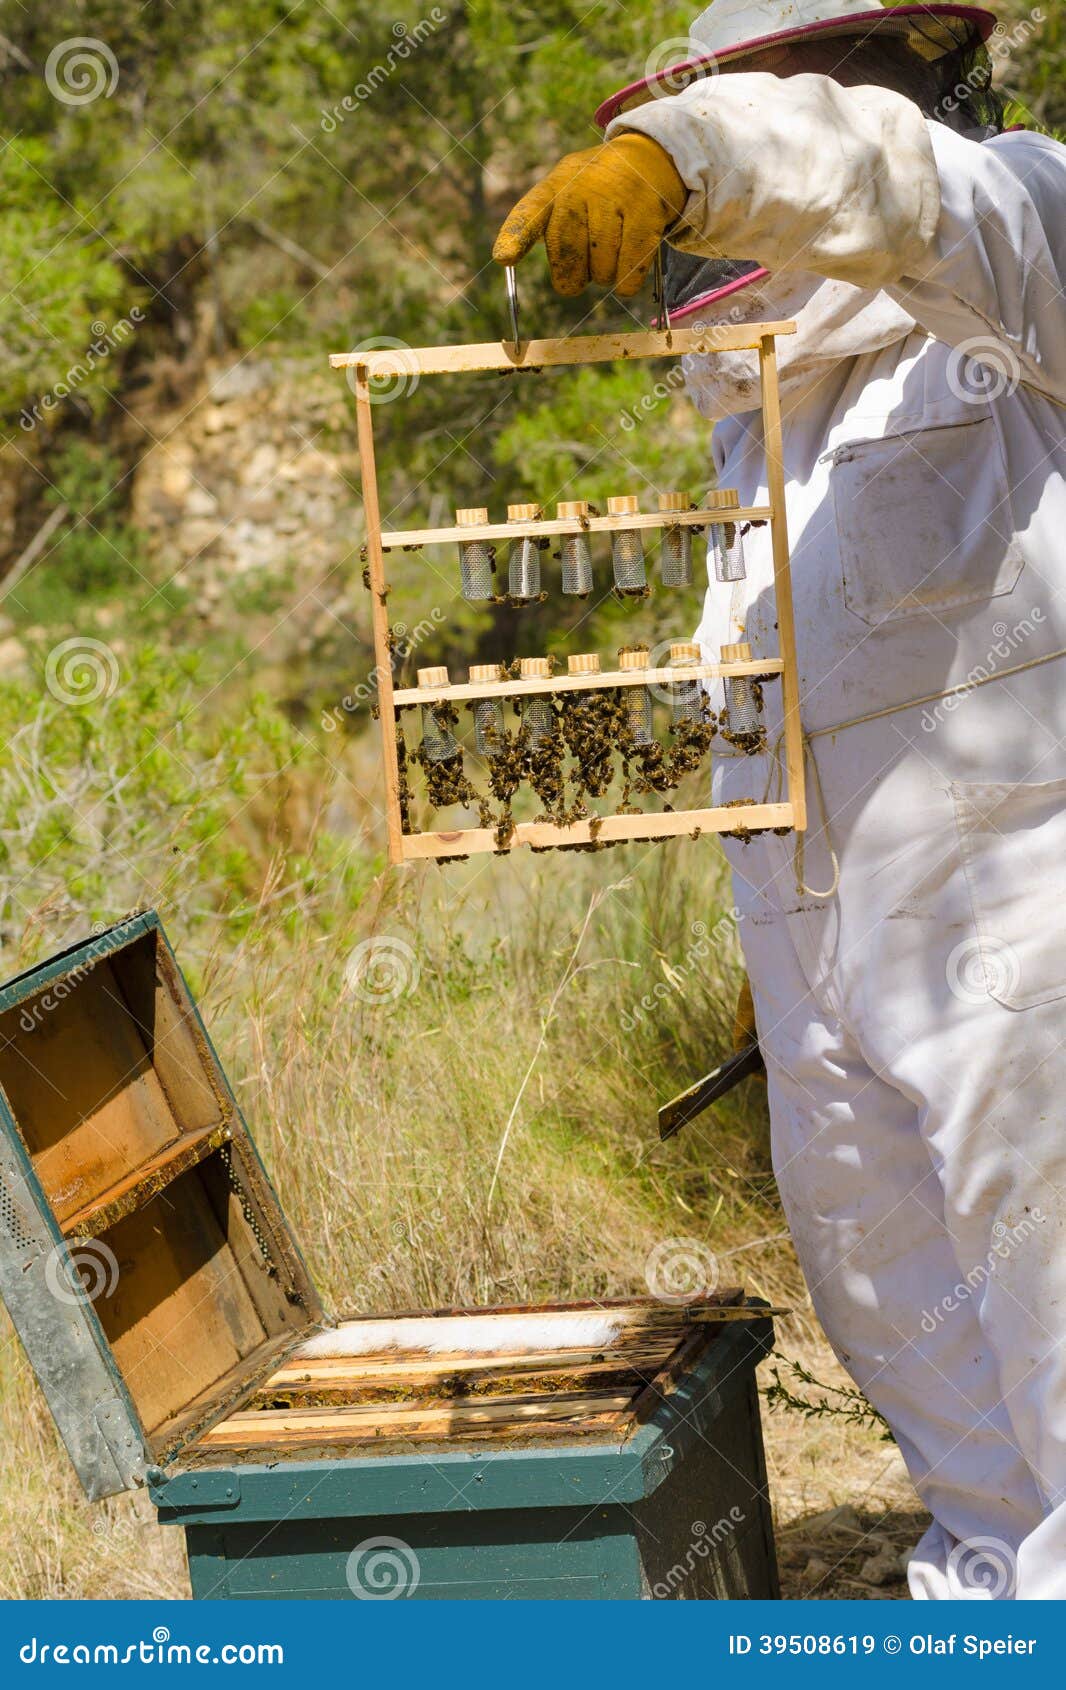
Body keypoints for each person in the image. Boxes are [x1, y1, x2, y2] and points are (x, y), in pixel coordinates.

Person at [494, 0, 1066, 1600]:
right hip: (821, 951)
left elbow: (887, 185)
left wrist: (675, 155)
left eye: (763, 104)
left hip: (1024, 942)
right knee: (889, 1286)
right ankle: (991, 1581)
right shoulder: (765, 406)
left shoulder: (1023, 230)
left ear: (884, 76)